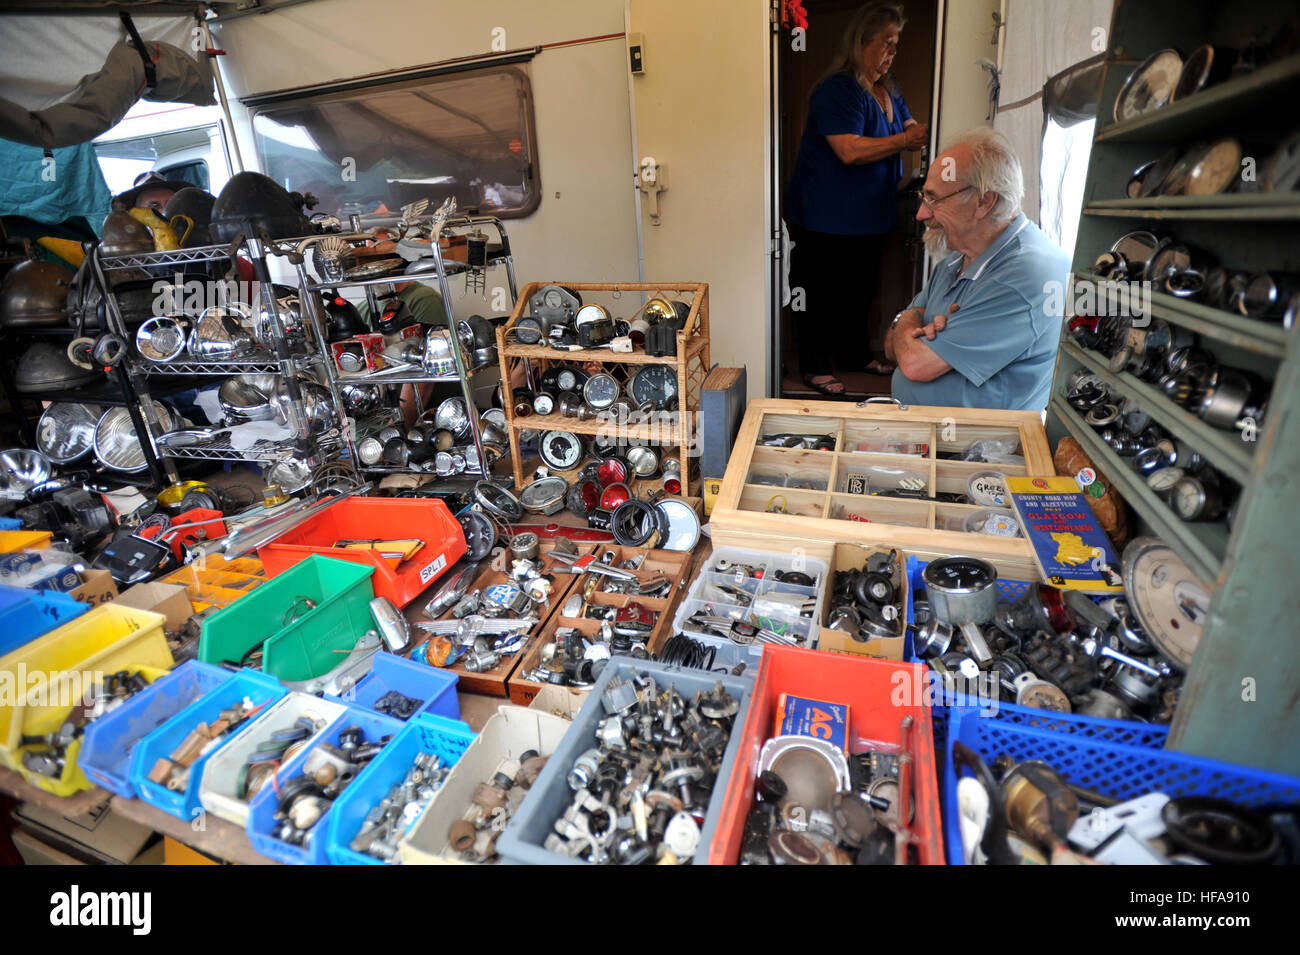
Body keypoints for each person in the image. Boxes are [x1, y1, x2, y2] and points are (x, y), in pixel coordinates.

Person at [785, 1, 928, 396]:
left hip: (870, 214)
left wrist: (917, 134)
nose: (893, 53)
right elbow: (848, 150)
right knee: (819, 292)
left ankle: (852, 356)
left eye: (896, 45)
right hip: (825, 214)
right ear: (863, 41)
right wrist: (905, 140)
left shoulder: (888, 90)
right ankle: (814, 366)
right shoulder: (838, 90)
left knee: (859, 290)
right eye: (887, 43)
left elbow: (911, 126)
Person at [885, 128, 1070, 411]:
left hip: (978, 449)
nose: (921, 213)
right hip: (930, 436)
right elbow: (890, 347)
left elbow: (913, 364)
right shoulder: (955, 261)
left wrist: (908, 323)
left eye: (934, 199)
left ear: (984, 201)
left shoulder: (1026, 274)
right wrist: (908, 321)